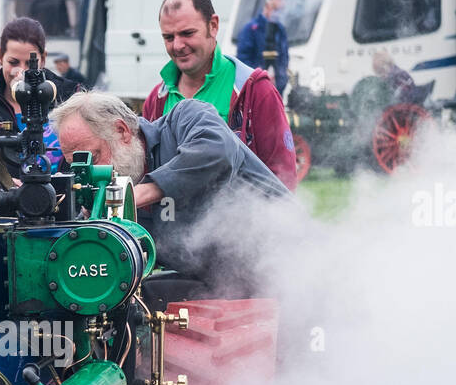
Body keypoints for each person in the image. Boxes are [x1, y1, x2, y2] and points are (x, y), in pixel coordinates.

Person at [51, 90, 290, 299]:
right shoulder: (108, 189)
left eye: (93, 157)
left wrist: (138, 194)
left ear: (122, 131)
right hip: (219, 285)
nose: (91, 174)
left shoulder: (187, 116)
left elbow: (218, 151)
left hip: (284, 270)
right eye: (78, 165)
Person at [144, 0, 297, 191]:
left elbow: (283, 176)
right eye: (168, 37)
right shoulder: (156, 100)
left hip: (241, 220)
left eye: (187, 33)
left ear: (213, 26)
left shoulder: (255, 90)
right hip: (171, 223)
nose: (178, 45)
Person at [0, 17, 80, 177]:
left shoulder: (73, 102)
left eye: (30, 63)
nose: (21, 72)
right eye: (14, 62)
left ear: (44, 58)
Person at [236, 0, 289, 94]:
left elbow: (284, 57)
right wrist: (260, 78)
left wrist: (281, 80)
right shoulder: (250, 29)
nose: (278, 14)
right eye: (276, 9)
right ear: (267, 7)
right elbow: (243, 59)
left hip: (276, 89)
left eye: (281, 10)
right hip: (255, 87)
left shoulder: (280, 29)